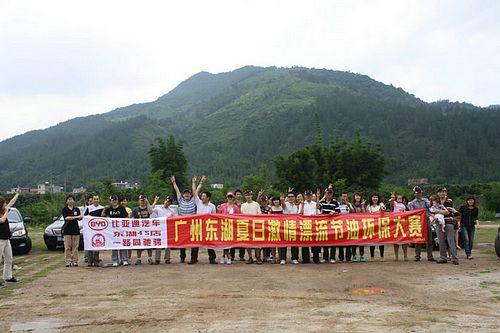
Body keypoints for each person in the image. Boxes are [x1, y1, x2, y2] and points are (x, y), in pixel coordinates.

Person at [191, 176, 218, 264]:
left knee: (210, 242)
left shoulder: (212, 206)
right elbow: (194, 192)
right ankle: (193, 258)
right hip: (198, 225)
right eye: (202, 196)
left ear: (208, 198)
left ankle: (212, 259)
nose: (202, 197)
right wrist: (196, 183)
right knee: (195, 242)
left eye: (204, 196)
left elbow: (214, 217)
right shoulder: (198, 202)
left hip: (208, 226)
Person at [171, 175, 197, 263]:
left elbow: (195, 191)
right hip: (182, 224)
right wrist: (174, 182)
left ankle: (194, 258)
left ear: (190, 195)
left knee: (194, 241)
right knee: (182, 242)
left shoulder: (194, 201)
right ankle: (182, 258)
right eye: (185, 193)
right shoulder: (180, 200)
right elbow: (177, 190)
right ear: (183, 195)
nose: (186, 194)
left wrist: (193, 182)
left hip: (192, 224)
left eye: (188, 193)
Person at [0, 187, 21, 288]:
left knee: (9, 259)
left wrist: (17, 194)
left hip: (6, 239)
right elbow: (2, 220)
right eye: (4, 204)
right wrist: (6, 212)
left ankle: (8, 277)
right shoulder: (3, 213)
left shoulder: (4, 210)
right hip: (0, 240)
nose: (6, 205)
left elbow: (11, 203)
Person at [102, 195, 130, 267]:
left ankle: (125, 260)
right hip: (112, 231)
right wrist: (104, 208)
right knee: (114, 244)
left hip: (121, 229)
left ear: (117, 200)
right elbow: (103, 216)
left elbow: (127, 217)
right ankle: (115, 260)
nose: (114, 201)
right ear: (110, 201)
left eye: (115, 200)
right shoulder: (109, 209)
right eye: (112, 200)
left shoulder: (121, 208)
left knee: (123, 244)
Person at [407, 186, 434, 262]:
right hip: (417, 222)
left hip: (426, 220)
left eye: (419, 193)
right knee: (418, 239)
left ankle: (430, 256)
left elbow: (430, 207)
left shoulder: (425, 201)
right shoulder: (411, 203)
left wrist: (431, 201)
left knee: (429, 239)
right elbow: (412, 212)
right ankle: (417, 256)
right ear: (414, 194)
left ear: (421, 193)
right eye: (416, 193)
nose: (418, 194)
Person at [132, 194, 157, 265]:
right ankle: (138, 258)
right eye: (141, 200)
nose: (142, 202)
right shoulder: (135, 209)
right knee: (139, 244)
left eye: (143, 200)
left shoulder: (147, 208)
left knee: (149, 244)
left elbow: (151, 212)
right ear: (138, 201)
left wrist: (148, 202)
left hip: (147, 229)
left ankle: (150, 258)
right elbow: (132, 220)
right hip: (138, 230)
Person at [436, 187, 459, 265]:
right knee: (441, 240)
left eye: (444, 192)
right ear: (438, 193)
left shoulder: (449, 200)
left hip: (448, 222)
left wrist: (438, 211)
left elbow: (447, 211)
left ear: (446, 193)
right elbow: (432, 210)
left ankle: (455, 258)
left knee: (450, 240)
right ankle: (443, 257)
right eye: (441, 192)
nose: (442, 193)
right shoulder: (436, 201)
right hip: (439, 223)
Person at [151, 195, 177, 264]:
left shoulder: (172, 211)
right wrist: (155, 202)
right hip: (160, 229)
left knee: (168, 245)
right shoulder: (159, 209)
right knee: (158, 244)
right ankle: (157, 259)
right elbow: (150, 210)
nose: (167, 202)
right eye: (166, 200)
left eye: (168, 201)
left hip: (168, 229)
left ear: (170, 203)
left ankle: (167, 258)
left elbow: (175, 220)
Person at [317, 187, 340, 263]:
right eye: (328, 193)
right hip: (324, 224)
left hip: (333, 224)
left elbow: (338, 212)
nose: (329, 195)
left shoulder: (335, 202)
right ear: (325, 194)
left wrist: (334, 212)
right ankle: (325, 257)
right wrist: (318, 197)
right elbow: (317, 207)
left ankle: (332, 257)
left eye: (330, 193)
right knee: (325, 240)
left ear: (332, 194)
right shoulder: (322, 202)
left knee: (333, 240)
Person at [240, 190, 262, 264]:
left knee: (257, 243)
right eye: (246, 195)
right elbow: (242, 215)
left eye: (249, 195)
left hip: (256, 225)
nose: (248, 196)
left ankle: (258, 257)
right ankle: (250, 257)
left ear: (252, 195)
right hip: (246, 225)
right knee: (247, 243)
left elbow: (259, 214)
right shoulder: (243, 205)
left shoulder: (256, 204)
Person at [218, 192, 240, 264]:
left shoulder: (235, 207)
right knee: (224, 242)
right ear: (226, 198)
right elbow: (219, 215)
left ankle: (224, 256)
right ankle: (228, 257)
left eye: (231, 197)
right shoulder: (222, 206)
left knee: (229, 242)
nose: (230, 198)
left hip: (232, 226)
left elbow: (237, 217)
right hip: (224, 226)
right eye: (228, 197)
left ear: (233, 198)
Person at [62, 194, 83, 267]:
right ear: (66, 201)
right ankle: (68, 261)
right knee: (67, 247)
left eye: (72, 199)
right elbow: (67, 218)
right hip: (67, 230)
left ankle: (75, 261)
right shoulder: (64, 209)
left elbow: (79, 218)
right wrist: (76, 217)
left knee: (75, 247)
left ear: (74, 201)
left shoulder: (77, 209)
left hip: (76, 230)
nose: (70, 201)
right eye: (69, 199)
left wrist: (80, 217)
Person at [84, 195, 104, 267]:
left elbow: (104, 218)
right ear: (92, 200)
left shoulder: (102, 208)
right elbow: (85, 218)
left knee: (97, 244)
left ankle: (96, 260)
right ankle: (89, 261)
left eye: (97, 199)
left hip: (98, 230)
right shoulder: (89, 208)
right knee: (90, 244)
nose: (96, 200)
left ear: (99, 200)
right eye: (94, 199)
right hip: (90, 230)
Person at [299, 190, 320, 263]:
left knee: (315, 242)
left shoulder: (315, 204)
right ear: (305, 196)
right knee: (305, 242)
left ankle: (316, 259)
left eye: (309, 195)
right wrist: (302, 206)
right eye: (307, 195)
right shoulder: (302, 204)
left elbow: (318, 213)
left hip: (314, 225)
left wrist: (318, 198)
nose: (308, 197)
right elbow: (299, 214)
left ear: (311, 196)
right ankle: (305, 259)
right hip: (305, 224)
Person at [281, 191, 299, 265]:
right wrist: (282, 200)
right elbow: (282, 205)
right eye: (289, 197)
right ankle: (283, 258)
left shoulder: (296, 206)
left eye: (292, 197)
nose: (291, 198)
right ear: (287, 198)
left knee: (294, 242)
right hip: (285, 226)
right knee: (284, 242)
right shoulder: (285, 204)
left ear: (294, 198)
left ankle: (294, 258)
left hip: (294, 226)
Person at [367, 192, 386, 261]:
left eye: (376, 197)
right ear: (371, 198)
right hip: (371, 225)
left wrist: (382, 208)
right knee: (372, 241)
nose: (375, 198)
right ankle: (372, 257)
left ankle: (382, 256)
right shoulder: (369, 206)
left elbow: (384, 210)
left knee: (381, 241)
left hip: (380, 225)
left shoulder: (381, 204)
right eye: (373, 197)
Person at [391, 194, 409, 261]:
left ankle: (405, 256)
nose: (399, 199)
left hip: (403, 224)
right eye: (398, 198)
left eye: (400, 198)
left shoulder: (404, 206)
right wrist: (392, 197)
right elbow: (391, 202)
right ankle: (396, 256)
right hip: (395, 224)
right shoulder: (395, 204)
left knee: (404, 241)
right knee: (396, 241)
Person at [230, 189, 246, 262]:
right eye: (237, 194)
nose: (238, 195)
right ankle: (232, 256)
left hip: (242, 223)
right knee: (233, 240)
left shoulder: (244, 204)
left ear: (241, 195)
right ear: (235, 196)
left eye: (239, 194)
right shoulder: (232, 204)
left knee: (242, 239)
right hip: (233, 224)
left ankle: (241, 255)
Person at [267, 195, 283, 264]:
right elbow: (267, 217)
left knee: (279, 244)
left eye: (277, 200)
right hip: (272, 227)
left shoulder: (282, 208)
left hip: (280, 228)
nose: (276, 201)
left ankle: (279, 257)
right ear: (272, 201)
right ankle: (273, 257)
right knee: (272, 244)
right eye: (274, 200)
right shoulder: (271, 208)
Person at [350, 192, 366, 262]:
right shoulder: (351, 205)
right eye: (356, 196)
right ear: (354, 197)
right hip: (353, 225)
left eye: (359, 196)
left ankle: (362, 255)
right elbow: (351, 213)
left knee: (361, 241)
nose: (357, 197)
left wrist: (362, 206)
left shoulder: (362, 205)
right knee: (354, 241)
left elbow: (365, 214)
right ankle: (354, 255)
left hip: (361, 225)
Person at [337, 192, 353, 262]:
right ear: (340, 197)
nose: (344, 198)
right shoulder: (337, 204)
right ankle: (341, 257)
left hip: (348, 225)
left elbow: (353, 212)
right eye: (343, 197)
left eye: (346, 197)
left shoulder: (349, 204)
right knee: (340, 241)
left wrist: (348, 206)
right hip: (340, 225)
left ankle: (348, 257)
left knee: (348, 241)